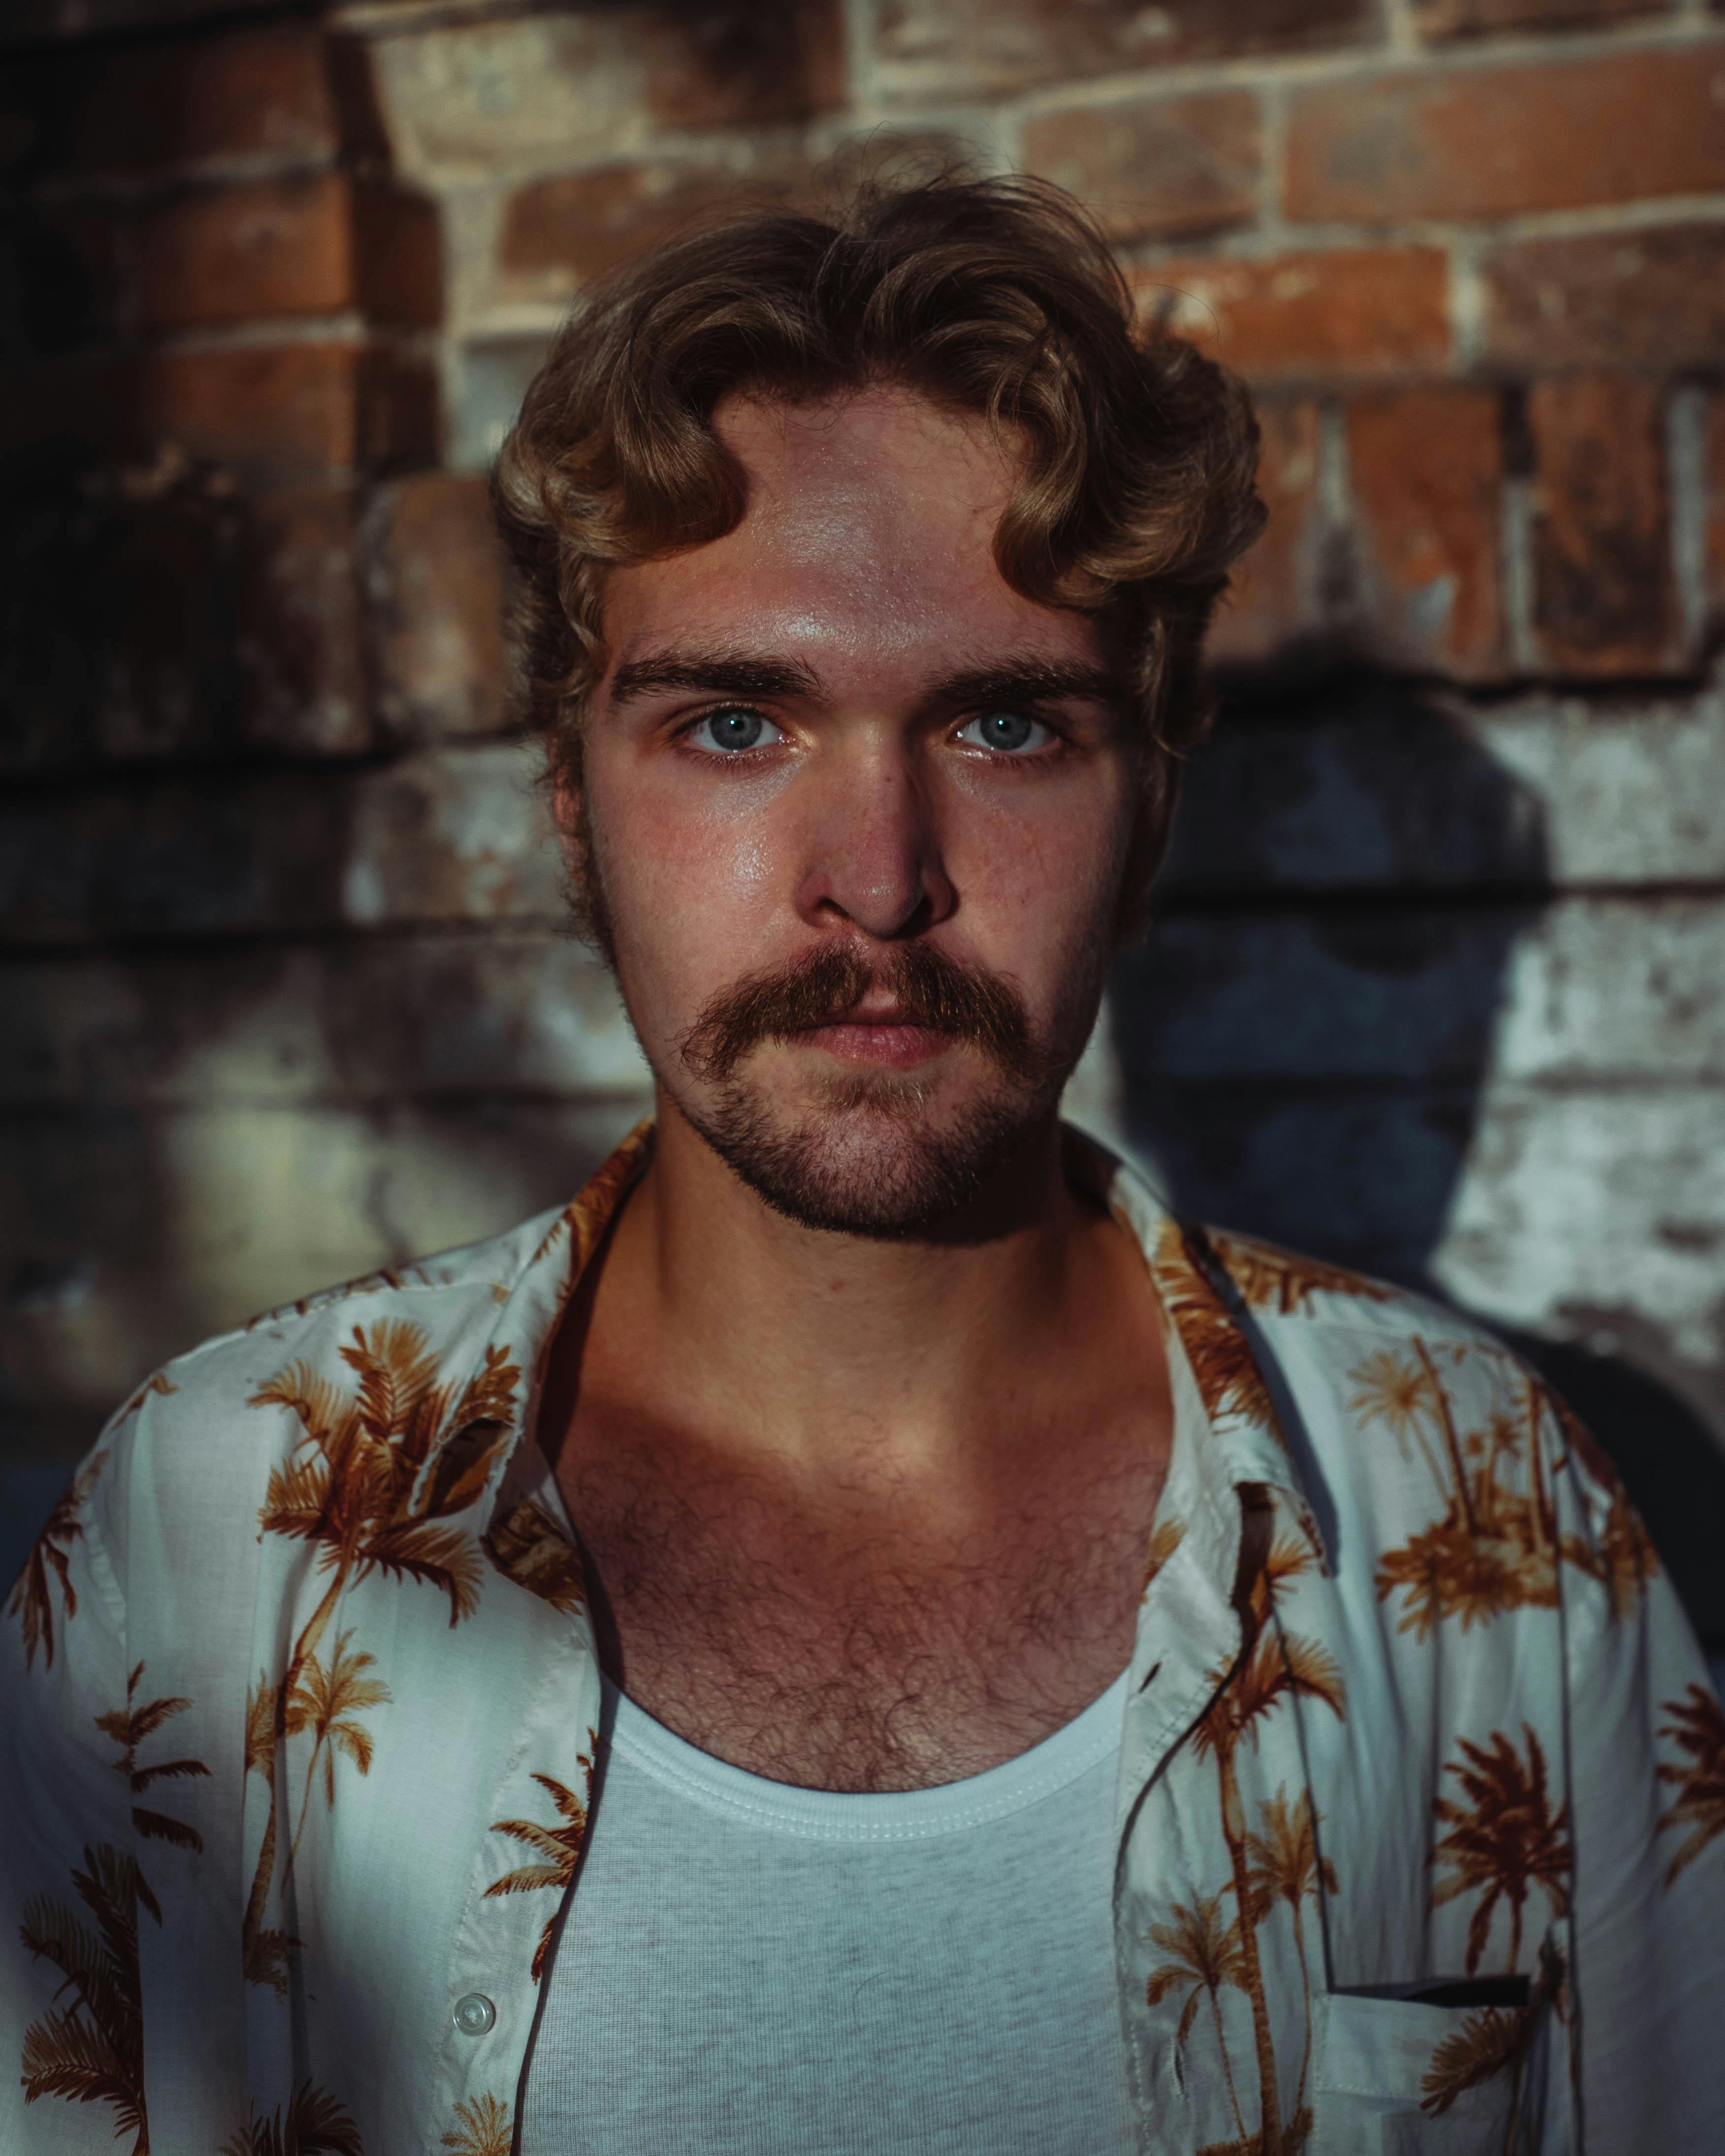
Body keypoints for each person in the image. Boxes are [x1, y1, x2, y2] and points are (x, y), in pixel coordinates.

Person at [2, 175, 1720, 2156]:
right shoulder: (221, 1529)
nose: (880, 880)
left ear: (1151, 804)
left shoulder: (1485, 1507)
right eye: (737, 724)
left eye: (1005, 723)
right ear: (572, 810)